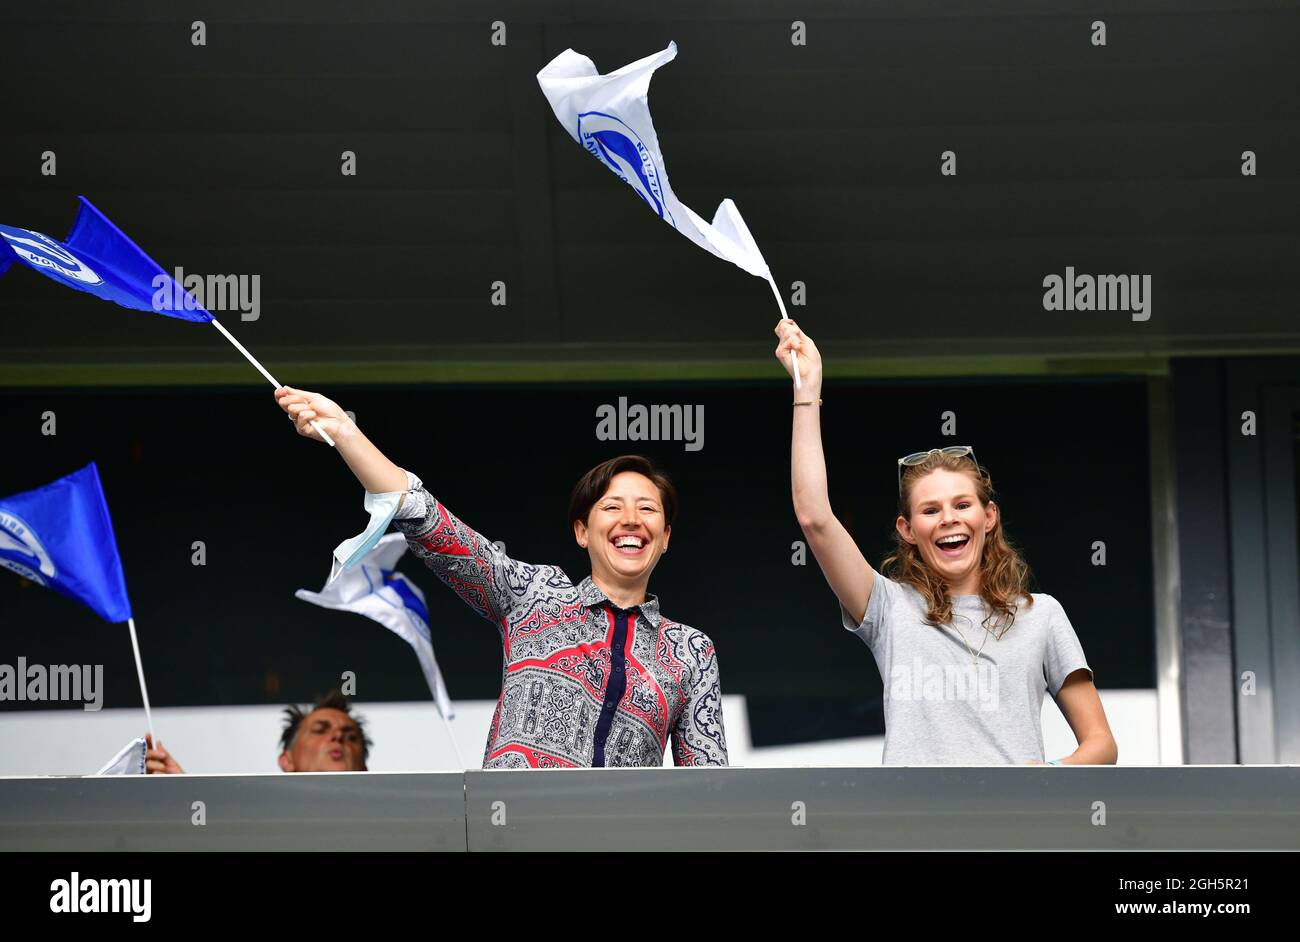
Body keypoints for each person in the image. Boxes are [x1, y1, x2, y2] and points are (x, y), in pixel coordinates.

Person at [274, 386, 727, 769]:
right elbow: (426, 519)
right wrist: (345, 431)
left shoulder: (691, 652)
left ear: (665, 537)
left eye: (647, 509)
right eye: (612, 507)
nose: (631, 519)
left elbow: (711, 789)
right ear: (581, 531)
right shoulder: (534, 597)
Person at [774, 318, 1118, 766]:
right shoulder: (889, 608)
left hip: (1011, 833)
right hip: (913, 833)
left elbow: (1102, 745)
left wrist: (1050, 773)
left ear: (989, 516)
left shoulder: (1042, 616)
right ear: (907, 530)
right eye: (930, 510)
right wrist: (806, 391)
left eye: (962, 505)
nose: (948, 519)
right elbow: (814, 517)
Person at [145, 688, 370, 774]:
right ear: (287, 760)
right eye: (320, 730)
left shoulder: (399, 825)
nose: (338, 736)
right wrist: (180, 794)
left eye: (351, 737)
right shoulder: (250, 824)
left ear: (365, 767)